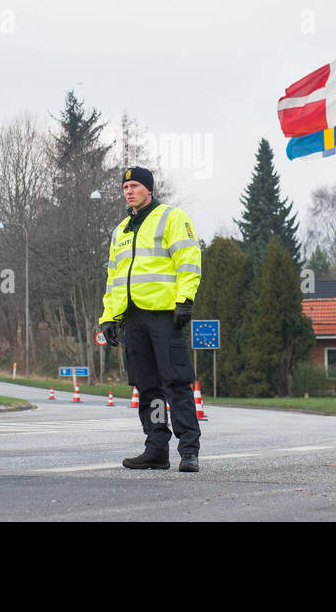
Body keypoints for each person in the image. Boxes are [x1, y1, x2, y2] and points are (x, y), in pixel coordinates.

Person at [98, 166, 202, 472]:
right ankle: (156, 447)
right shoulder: (120, 231)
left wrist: (185, 300)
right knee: (147, 386)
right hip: (133, 319)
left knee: (176, 382)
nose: (129, 191)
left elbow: (188, 260)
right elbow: (114, 278)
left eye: (134, 185)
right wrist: (109, 317)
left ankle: (189, 450)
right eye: (125, 186)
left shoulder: (171, 217)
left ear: (149, 189)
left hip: (164, 317)